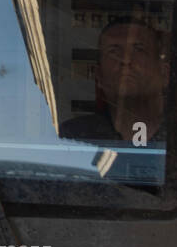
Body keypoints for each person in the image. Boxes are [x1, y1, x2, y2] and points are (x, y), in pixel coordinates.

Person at [61, 17, 170, 182]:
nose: (125, 60)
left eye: (138, 49)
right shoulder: (72, 139)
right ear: (99, 76)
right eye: (113, 50)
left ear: (164, 73)